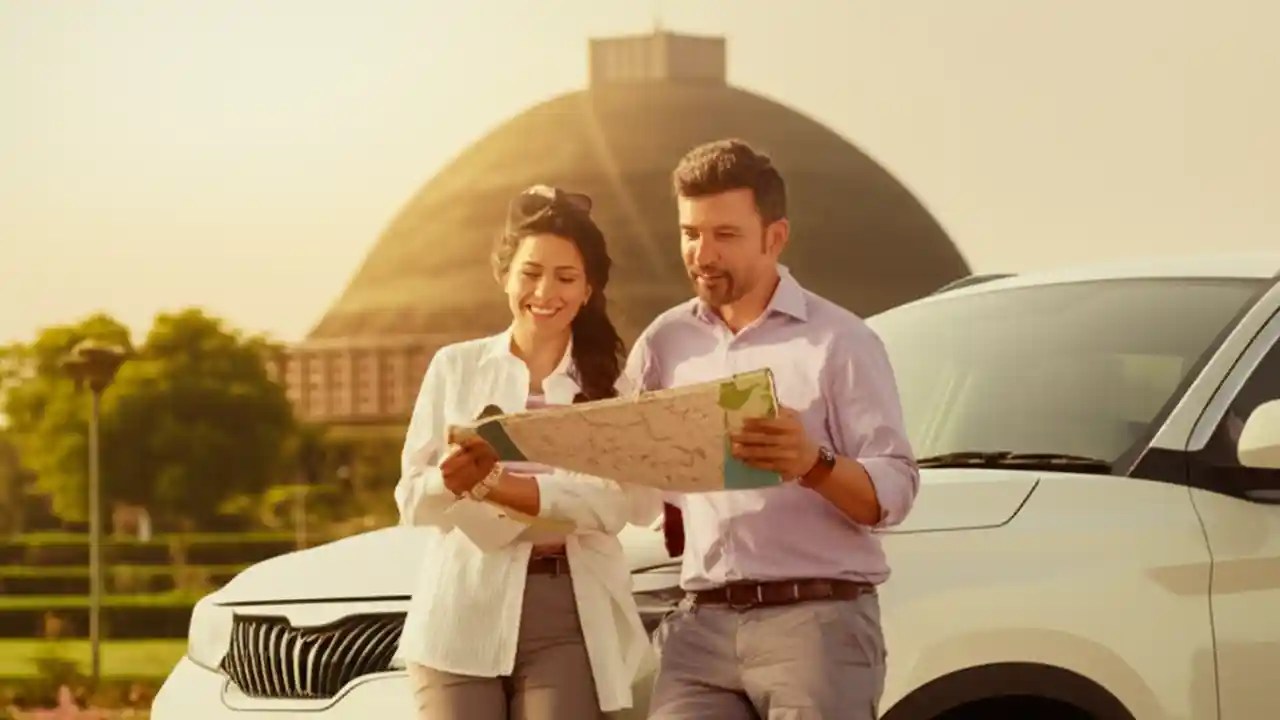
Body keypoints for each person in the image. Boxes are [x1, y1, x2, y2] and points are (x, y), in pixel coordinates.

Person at [627, 139, 920, 719]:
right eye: (690, 233)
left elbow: (897, 490)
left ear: (775, 237)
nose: (702, 254)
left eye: (725, 235)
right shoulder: (664, 342)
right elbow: (624, 462)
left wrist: (814, 464)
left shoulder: (841, 341)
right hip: (698, 628)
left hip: (816, 627)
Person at [393, 184, 662, 720]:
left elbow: (620, 506)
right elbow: (410, 499)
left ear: (588, 289)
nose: (546, 291)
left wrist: (498, 486)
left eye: (566, 278)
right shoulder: (457, 367)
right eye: (531, 273)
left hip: (569, 613)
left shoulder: (613, 386)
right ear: (505, 276)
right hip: (461, 608)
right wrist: (450, 480)